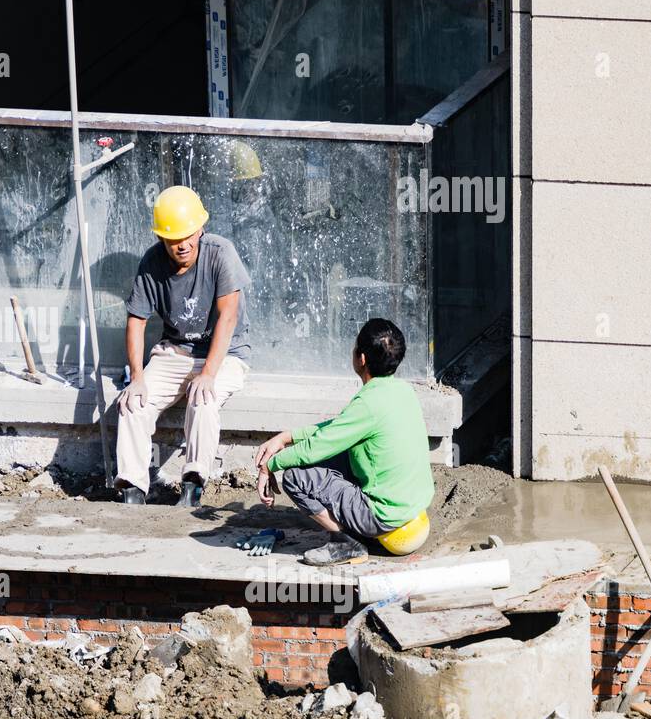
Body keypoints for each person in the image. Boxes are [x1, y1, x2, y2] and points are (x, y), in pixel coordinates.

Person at [256, 318, 435, 565]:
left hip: (384, 516)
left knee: (295, 475)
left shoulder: (368, 403)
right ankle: (360, 531)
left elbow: (316, 447)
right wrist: (286, 438)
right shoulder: (402, 391)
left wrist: (270, 465)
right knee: (333, 456)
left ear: (361, 359)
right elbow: (339, 428)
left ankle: (344, 543)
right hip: (411, 507)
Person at [115, 185, 252, 506]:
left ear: (200, 228)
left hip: (225, 353)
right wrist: (136, 377)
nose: (182, 244)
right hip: (175, 350)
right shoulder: (152, 262)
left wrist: (207, 373)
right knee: (132, 402)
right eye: (173, 238)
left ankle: (193, 484)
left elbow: (228, 318)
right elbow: (136, 320)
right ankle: (133, 488)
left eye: (188, 235)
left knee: (203, 398)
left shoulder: (221, 253)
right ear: (161, 237)